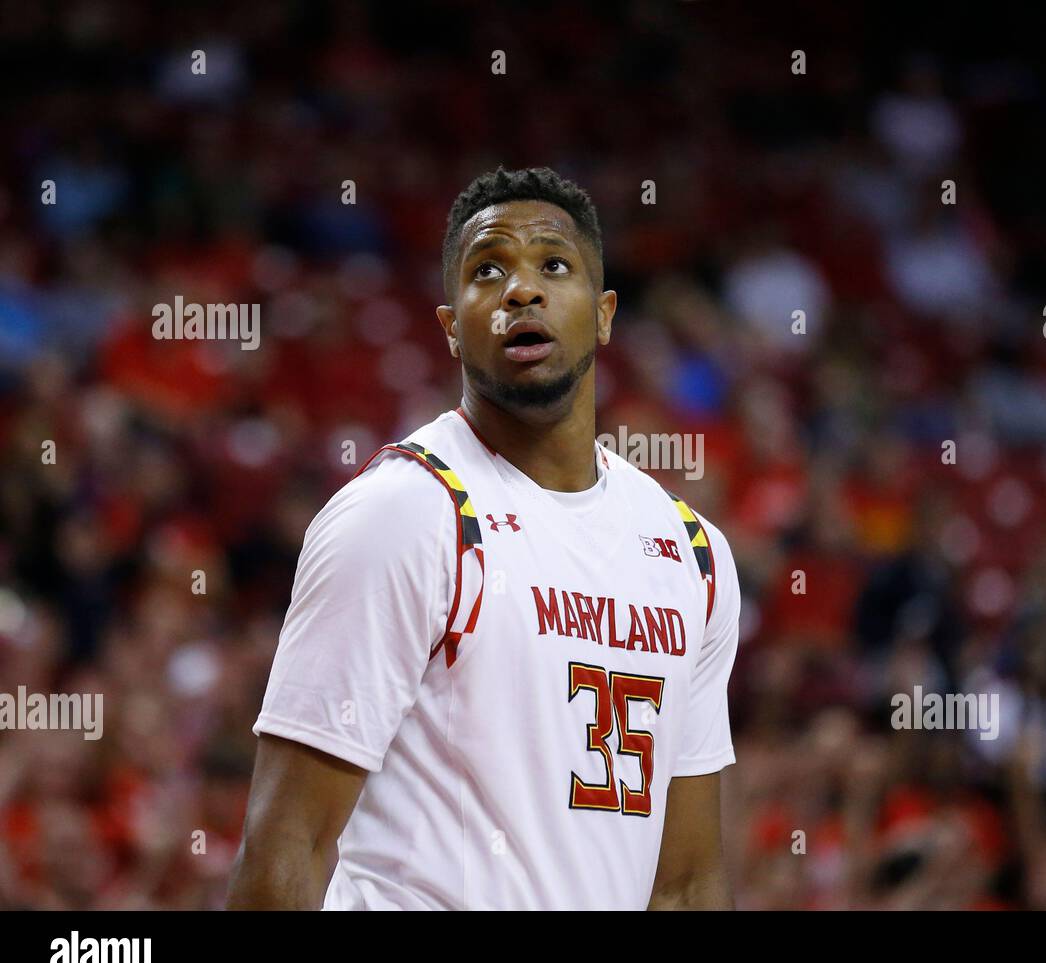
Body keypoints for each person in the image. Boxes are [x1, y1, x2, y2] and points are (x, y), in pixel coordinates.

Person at [226, 166, 740, 910]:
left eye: (553, 266)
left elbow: (688, 883)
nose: (520, 290)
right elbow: (285, 850)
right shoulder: (402, 513)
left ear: (603, 315)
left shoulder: (691, 551)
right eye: (487, 269)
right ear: (450, 328)